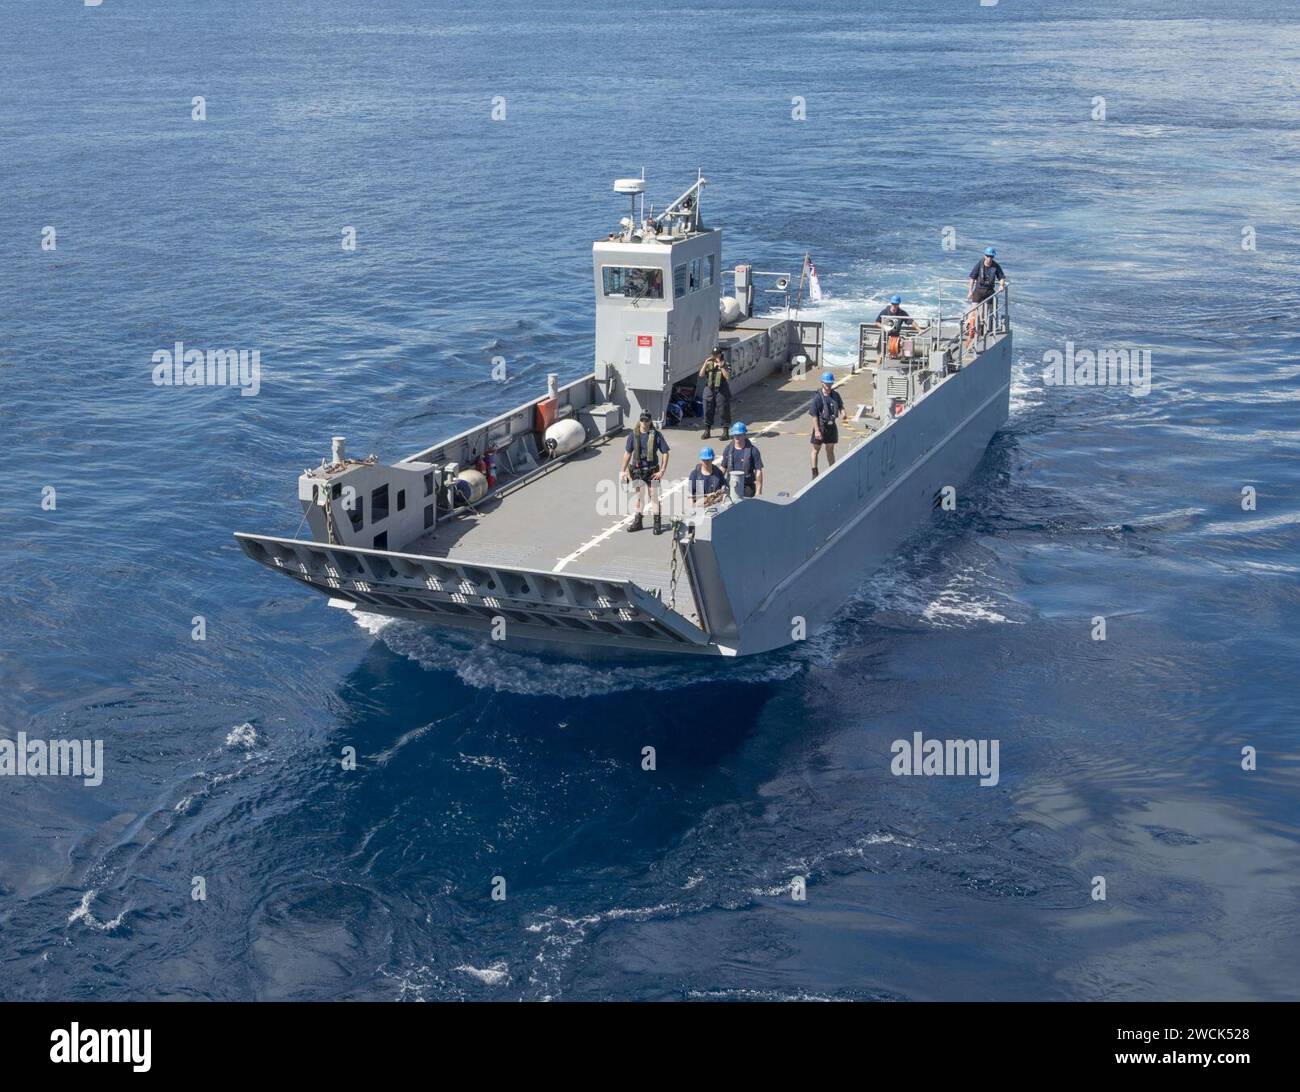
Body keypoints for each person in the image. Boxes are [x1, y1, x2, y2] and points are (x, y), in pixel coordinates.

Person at [620, 411, 670, 534]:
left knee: (654, 495)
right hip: (637, 471)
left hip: (653, 471)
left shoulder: (656, 435)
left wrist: (662, 470)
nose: (644, 422)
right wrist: (622, 471)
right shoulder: (633, 435)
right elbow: (627, 453)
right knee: (639, 496)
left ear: (650, 421)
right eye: (642, 420)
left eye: (646, 420)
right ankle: (638, 522)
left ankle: (657, 523)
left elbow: (665, 452)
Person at [809, 371, 846, 478]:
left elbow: (841, 406)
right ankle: (815, 473)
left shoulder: (835, 395)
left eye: (830, 383)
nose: (828, 386)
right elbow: (814, 415)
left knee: (830, 449)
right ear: (822, 383)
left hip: (831, 426)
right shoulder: (817, 398)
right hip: (821, 427)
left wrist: (843, 413)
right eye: (826, 383)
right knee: (816, 449)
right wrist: (817, 431)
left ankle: (832, 471)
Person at [966, 247, 1007, 342]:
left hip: (989, 291)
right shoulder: (979, 265)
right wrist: (970, 291)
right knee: (973, 311)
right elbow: (972, 278)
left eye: (991, 257)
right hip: (978, 291)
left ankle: (981, 329)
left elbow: (1001, 277)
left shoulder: (996, 266)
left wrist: (1001, 285)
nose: (989, 258)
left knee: (985, 313)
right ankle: (970, 327)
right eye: (988, 256)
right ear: (985, 256)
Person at [719, 422, 764, 498]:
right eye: (735, 435)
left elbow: (758, 471)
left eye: (739, 435)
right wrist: (717, 484)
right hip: (731, 485)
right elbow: (723, 468)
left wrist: (758, 491)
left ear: (744, 435)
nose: (737, 437)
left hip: (747, 487)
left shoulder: (754, 451)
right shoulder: (728, 449)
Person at [698, 346, 732, 439]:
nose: (715, 356)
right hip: (709, 389)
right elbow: (701, 374)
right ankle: (707, 431)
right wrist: (705, 363)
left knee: (723, 410)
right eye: (713, 354)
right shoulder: (709, 364)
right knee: (707, 409)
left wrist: (721, 366)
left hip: (721, 389)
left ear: (720, 355)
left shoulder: (726, 364)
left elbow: (728, 377)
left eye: (717, 354)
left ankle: (725, 432)